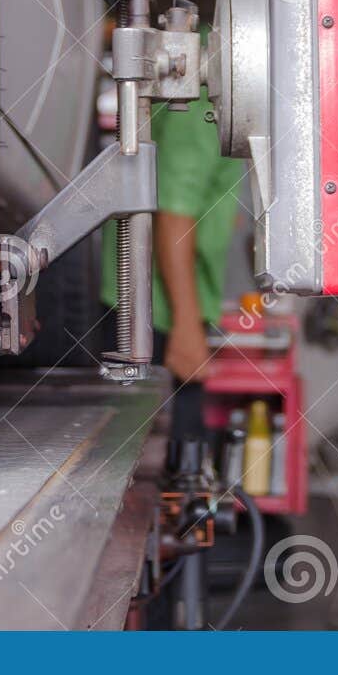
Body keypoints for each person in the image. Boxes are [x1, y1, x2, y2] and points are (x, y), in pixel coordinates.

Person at [100, 58, 243, 438]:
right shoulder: (206, 88)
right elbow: (174, 217)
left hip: (164, 310)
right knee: (168, 456)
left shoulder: (218, 82)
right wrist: (185, 327)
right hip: (154, 318)